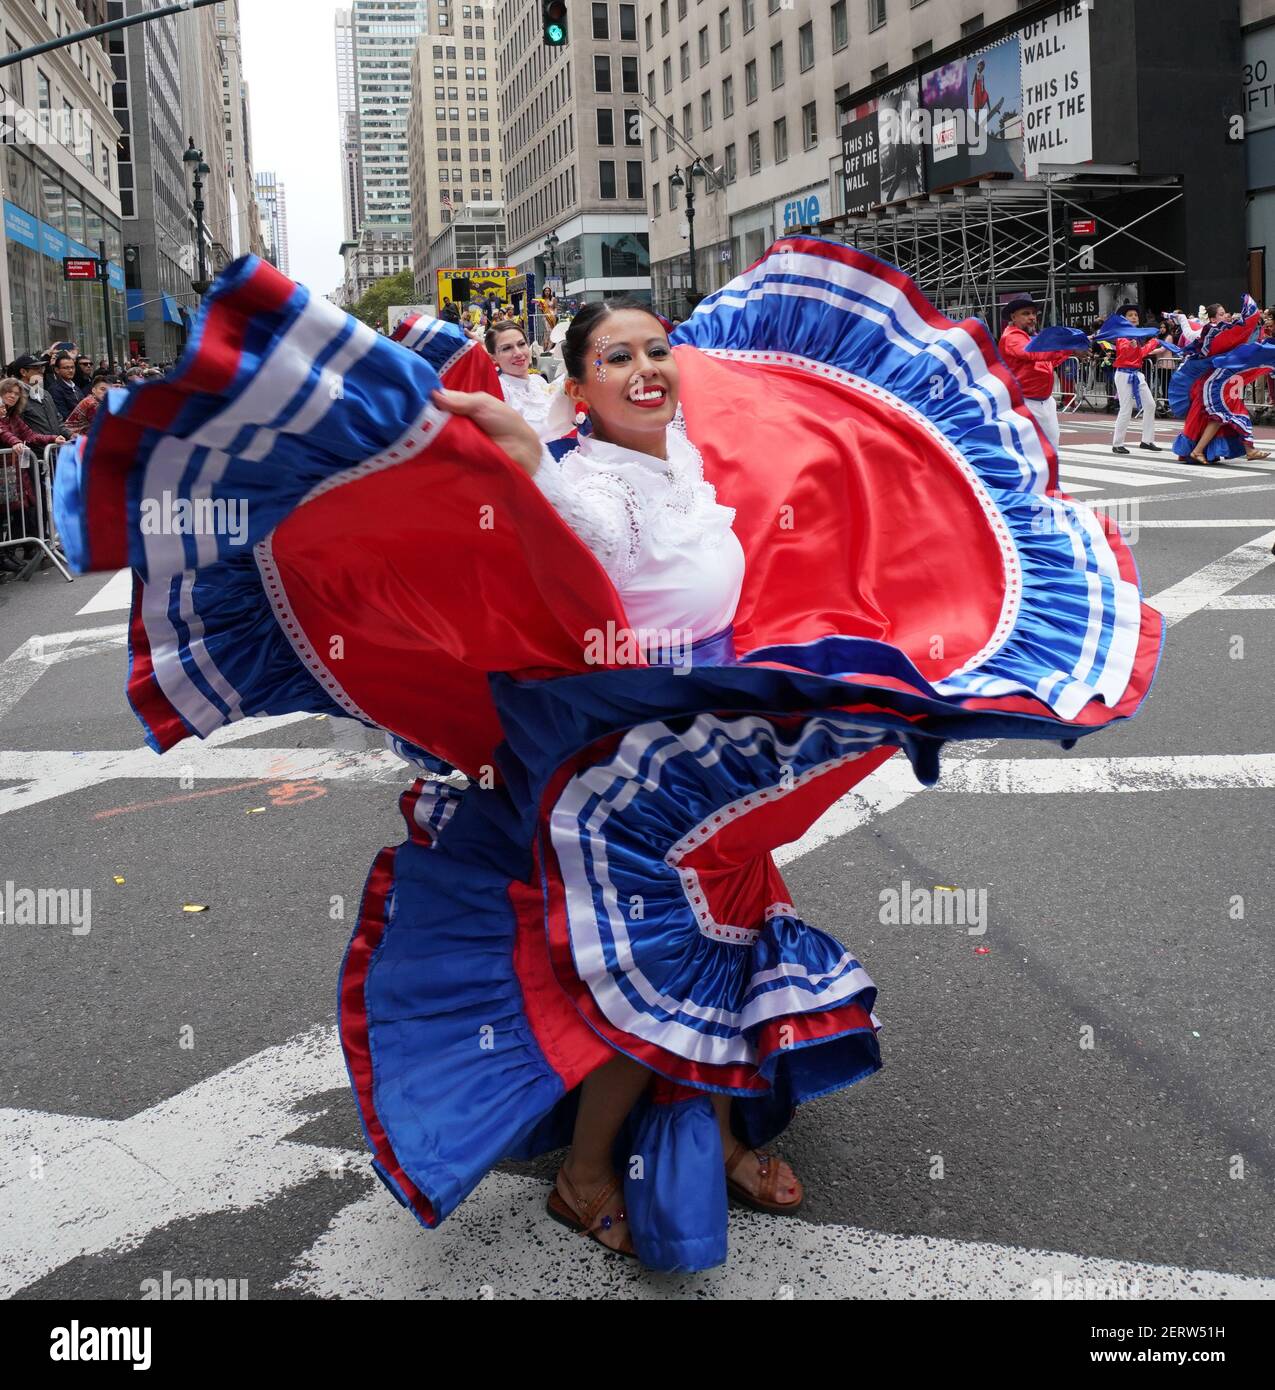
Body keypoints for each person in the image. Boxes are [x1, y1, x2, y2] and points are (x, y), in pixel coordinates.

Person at [54, 247, 1162, 1272]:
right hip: (622, 762)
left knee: (722, 932)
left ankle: (717, 1134)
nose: (644, 369)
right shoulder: (580, 485)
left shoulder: (687, 459)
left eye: (653, 350)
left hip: (708, 740)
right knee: (673, 959)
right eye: (615, 358)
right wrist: (513, 443)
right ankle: (588, 1176)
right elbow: (534, 519)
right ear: (577, 387)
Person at [1171, 302, 1271, 464]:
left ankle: (1244, 449)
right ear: (1211, 318)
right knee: (1220, 416)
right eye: (1221, 313)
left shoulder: (1229, 331)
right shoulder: (1209, 331)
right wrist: (1182, 319)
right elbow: (1190, 334)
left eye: (1225, 313)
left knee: (1227, 415)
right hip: (1213, 382)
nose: (1225, 316)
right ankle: (1200, 450)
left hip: (1225, 381)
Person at [996, 294, 1081, 450]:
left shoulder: (1030, 337)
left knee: (1050, 447)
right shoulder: (1012, 337)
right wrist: (1070, 348)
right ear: (1013, 316)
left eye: (1034, 313)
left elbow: (1046, 361)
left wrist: (1071, 351)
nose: (1032, 317)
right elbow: (1033, 353)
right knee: (1028, 449)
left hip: (1044, 402)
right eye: (1026, 313)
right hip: (1024, 402)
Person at [1110, 305, 1171, 454]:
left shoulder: (1136, 335)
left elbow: (1140, 354)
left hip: (1136, 374)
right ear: (1124, 319)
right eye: (1130, 315)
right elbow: (1123, 353)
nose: (1134, 317)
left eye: (1136, 315)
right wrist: (1130, 345)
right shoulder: (1122, 335)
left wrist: (1153, 342)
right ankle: (1117, 443)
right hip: (1124, 374)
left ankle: (1147, 440)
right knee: (1126, 408)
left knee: (1150, 404)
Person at [485, 319, 559, 437]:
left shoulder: (538, 381)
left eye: (521, 344)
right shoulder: (500, 390)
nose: (518, 353)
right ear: (493, 358)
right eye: (507, 348)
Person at [8, 354, 65, 437]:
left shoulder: (46, 394)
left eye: (41, 368)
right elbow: (17, 429)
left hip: (53, 447)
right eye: (36, 368)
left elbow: (58, 421)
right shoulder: (16, 396)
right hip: (34, 448)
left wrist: (71, 434)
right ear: (23, 372)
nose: (41, 371)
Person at [46, 352, 84, 421]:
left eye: (72, 367)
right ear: (57, 370)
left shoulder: (76, 387)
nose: (70, 370)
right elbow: (63, 415)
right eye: (66, 368)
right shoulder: (55, 390)